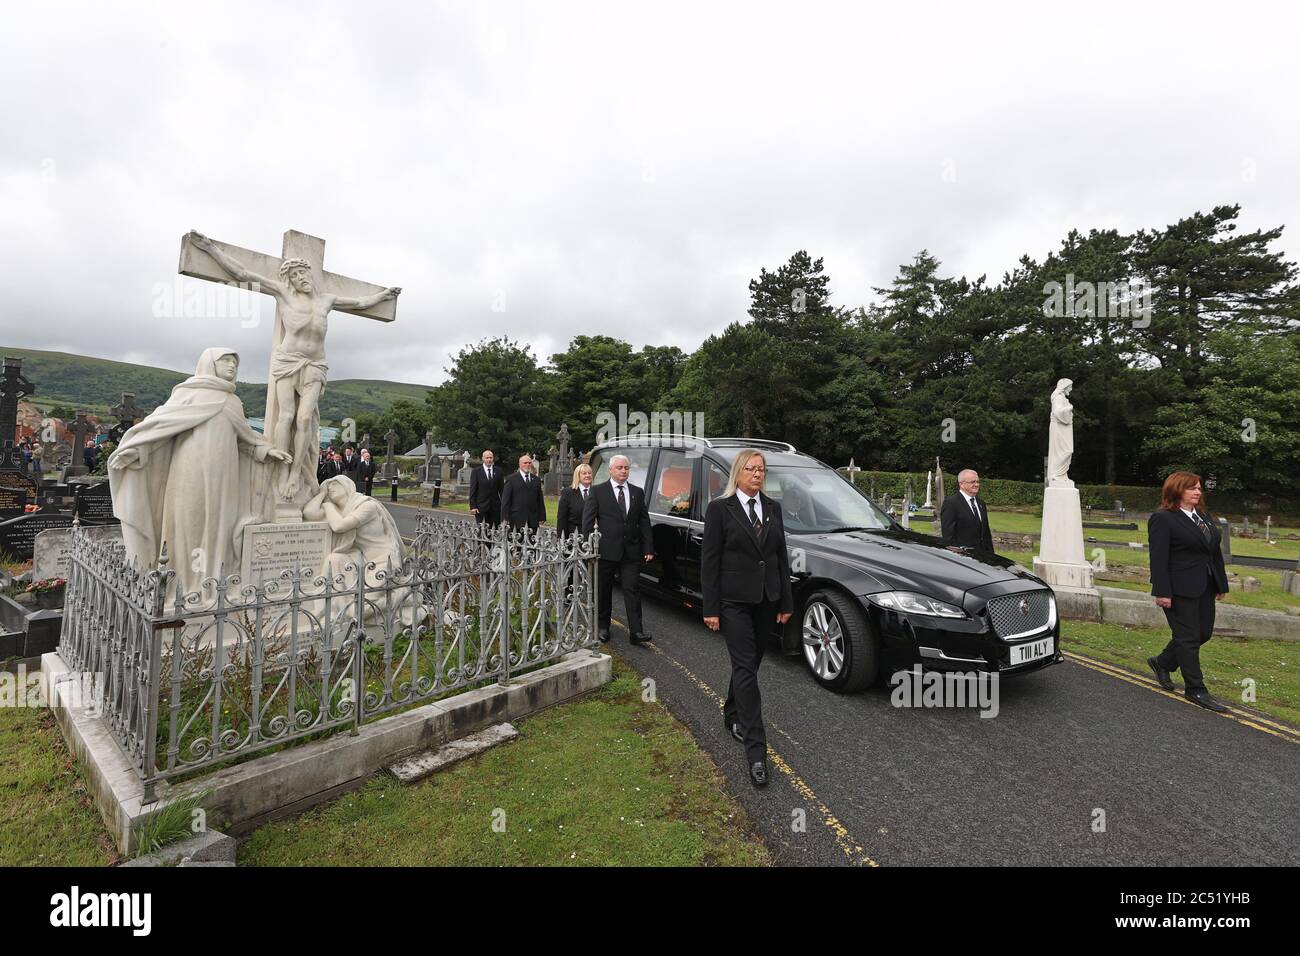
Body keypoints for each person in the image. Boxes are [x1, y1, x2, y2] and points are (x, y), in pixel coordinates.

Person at [108, 348, 291, 596]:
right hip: (190, 469)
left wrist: (264, 451)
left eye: (234, 362)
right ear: (209, 364)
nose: (231, 366)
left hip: (225, 474)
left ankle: (212, 583)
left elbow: (244, 438)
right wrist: (137, 450)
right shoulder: (189, 393)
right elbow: (160, 427)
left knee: (220, 525)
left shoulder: (233, 401)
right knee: (188, 522)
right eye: (225, 360)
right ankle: (182, 583)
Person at [701, 449, 793, 789]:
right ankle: (756, 752)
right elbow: (709, 562)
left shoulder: (772, 508)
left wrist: (785, 600)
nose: (757, 474)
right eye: (751, 469)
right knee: (746, 672)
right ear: (738, 473)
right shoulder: (719, 509)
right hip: (733, 603)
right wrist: (710, 608)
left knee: (749, 666)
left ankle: (731, 712)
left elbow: (780, 557)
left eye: (762, 469)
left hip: (767, 601)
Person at [1147, 471, 1231, 713]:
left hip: (1205, 584)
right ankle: (1195, 689)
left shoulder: (1202, 516)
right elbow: (1158, 558)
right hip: (1178, 588)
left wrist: (1221, 584)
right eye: (1191, 488)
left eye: (1199, 488)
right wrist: (1162, 591)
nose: (1198, 492)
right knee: (1188, 638)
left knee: (1203, 633)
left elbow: (1213, 553)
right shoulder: (1163, 518)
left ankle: (1162, 662)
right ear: (1177, 491)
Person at [582, 453, 654, 645]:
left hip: (631, 552)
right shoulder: (598, 491)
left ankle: (636, 632)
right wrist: (589, 548)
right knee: (603, 590)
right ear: (611, 470)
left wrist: (648, 547)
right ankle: (603, 627)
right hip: (605, 551)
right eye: (620, 468)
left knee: (632, 590)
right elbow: (588, 522)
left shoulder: (637, 492)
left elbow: (643, 522)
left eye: (626, 468)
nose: (623, 471)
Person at [940, 469, 994, 552]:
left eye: (977, 482)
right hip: (963, 557)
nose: (976, 485)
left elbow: (986, 533)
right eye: (972, 482)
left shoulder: (981, 503)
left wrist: (991, 555)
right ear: (961, 484)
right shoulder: (951, 503)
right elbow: (948, 537)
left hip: (983, 557)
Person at [500, 453, 546, 534]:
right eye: (525, 463)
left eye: (529, 463)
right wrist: (504, 517)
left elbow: (540, 500)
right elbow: (506, 501)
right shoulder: (511, 479)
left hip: (533, 519)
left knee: (532, 544)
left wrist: (542, 516)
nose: (527, 465)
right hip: (516, 519)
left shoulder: (536, 480)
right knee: (517, 545)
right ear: (520, 464)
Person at [556, 462, 593, 537]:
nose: (587, 475)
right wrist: (560, 538)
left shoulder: (597, 492)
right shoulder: (568, 492)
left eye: (589, 473)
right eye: (584, 473)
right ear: (578, 475)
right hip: (573, 537)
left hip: (592, 537)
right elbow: (562, 518)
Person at [469, 449, 504, 528]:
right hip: (481, 507)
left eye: (491, 458)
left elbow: (502, 490)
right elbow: (473, 490)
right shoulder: (476, 472)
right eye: (487, 458)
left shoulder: (498, 471)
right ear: (483, 459)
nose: (489, 460)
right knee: (481, 530)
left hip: (495, 507)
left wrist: (504, 505)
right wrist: (473, 506)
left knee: (493, 530)